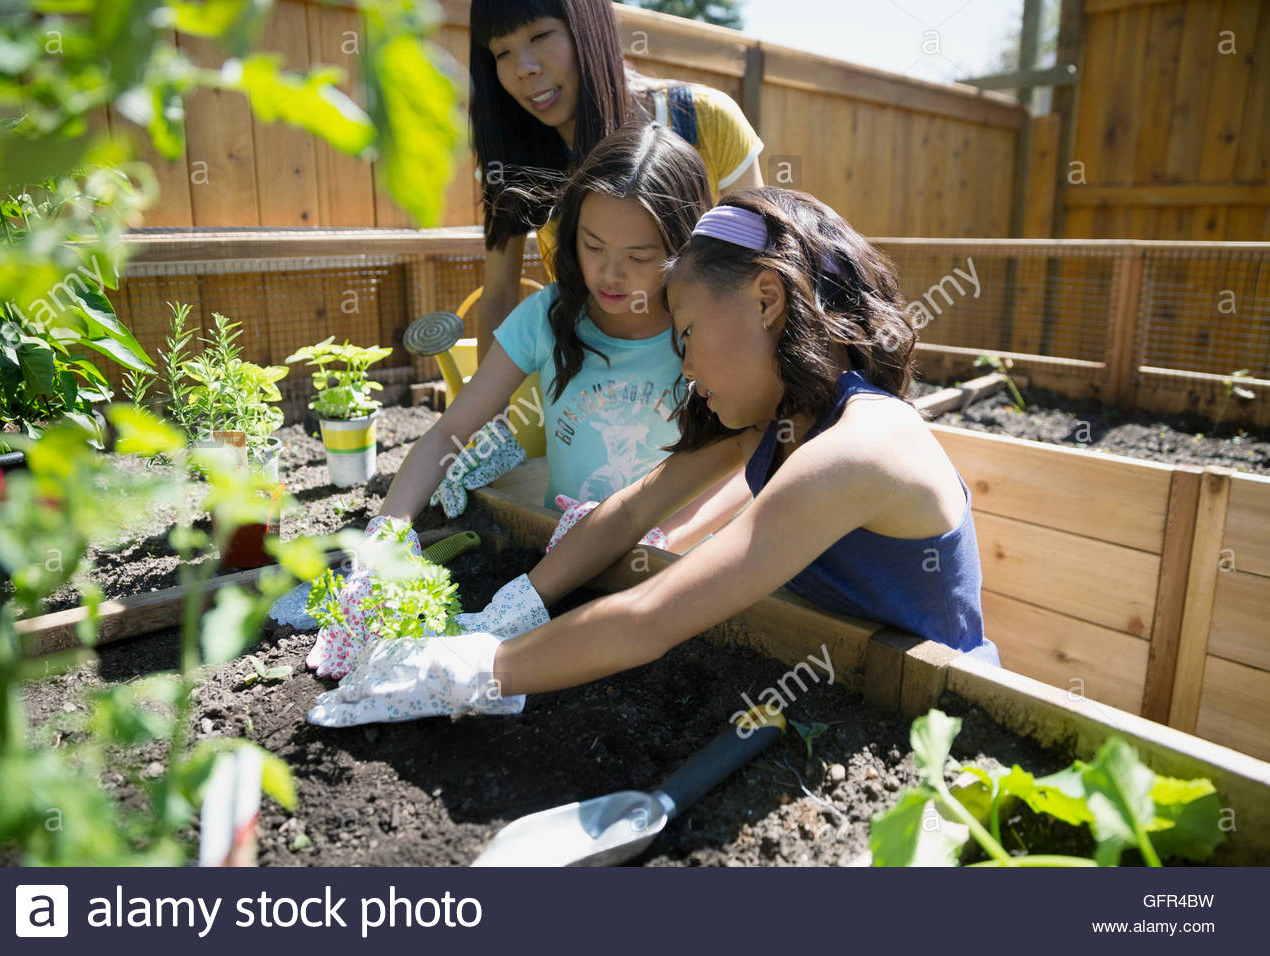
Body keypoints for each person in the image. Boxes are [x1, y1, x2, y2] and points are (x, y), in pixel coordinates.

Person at [308, 188, 1000, 726]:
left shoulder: (859, 448)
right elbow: (632, 509)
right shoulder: (781, 416)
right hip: (841, 681)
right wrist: (518, 602)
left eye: (689, 332)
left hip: (938, 718)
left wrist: (478, 667)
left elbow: (653, 617)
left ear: (767, 300)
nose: (686, 363)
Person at [313, 125, 728, 679]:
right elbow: (447, 433)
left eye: (638, 256)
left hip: (668, 568)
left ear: (683, 250)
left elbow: (744, 463)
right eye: (592, 245)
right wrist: (386, 535)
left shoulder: (701, 330)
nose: (608, 273)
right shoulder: (547, 318)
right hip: (558, 562)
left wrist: (664, 540)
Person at [469, 0, 765, 357]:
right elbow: (499, 293)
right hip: (590, 385)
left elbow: (755, 272)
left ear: (589, 28)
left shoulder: (705, 119)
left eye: (541, 35)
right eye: (501, 52)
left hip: (708, 376)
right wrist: (492, 411)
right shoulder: (511, 154)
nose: (523, 68)